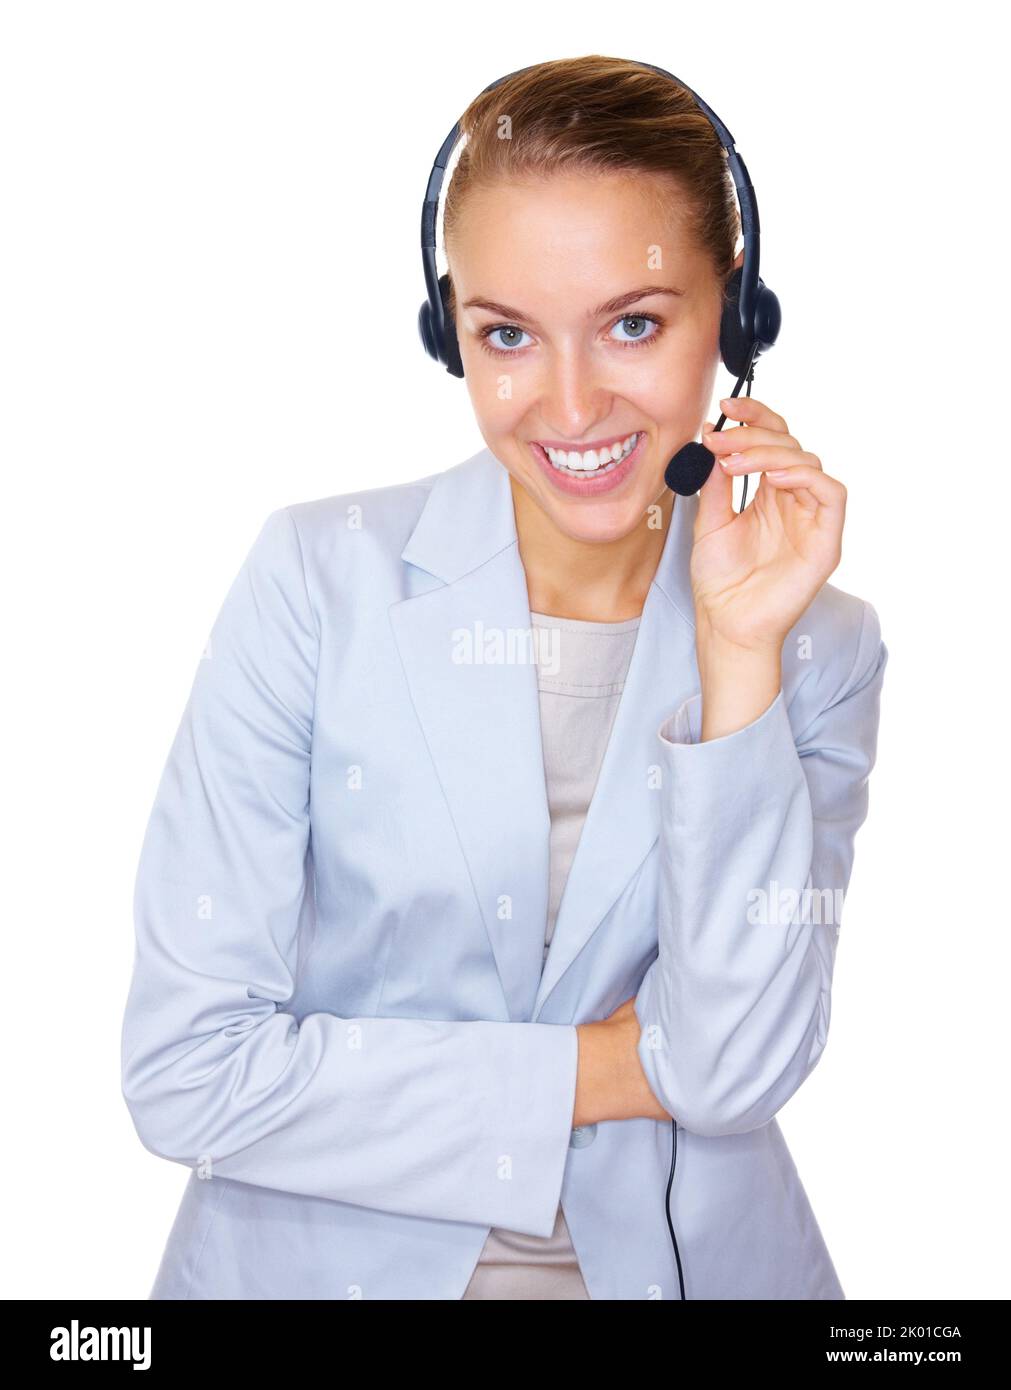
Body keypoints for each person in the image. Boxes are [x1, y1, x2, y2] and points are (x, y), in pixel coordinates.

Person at [121, 54, 887, 1300]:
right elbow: (189, 1075)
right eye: (507, 334)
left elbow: (735, 1070)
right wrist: (607, 1067)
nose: (571, 404)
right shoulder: (321, 582)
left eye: (635, 323)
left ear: (738, 318)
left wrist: (738, 651)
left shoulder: (813, 643)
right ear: (448, 332)